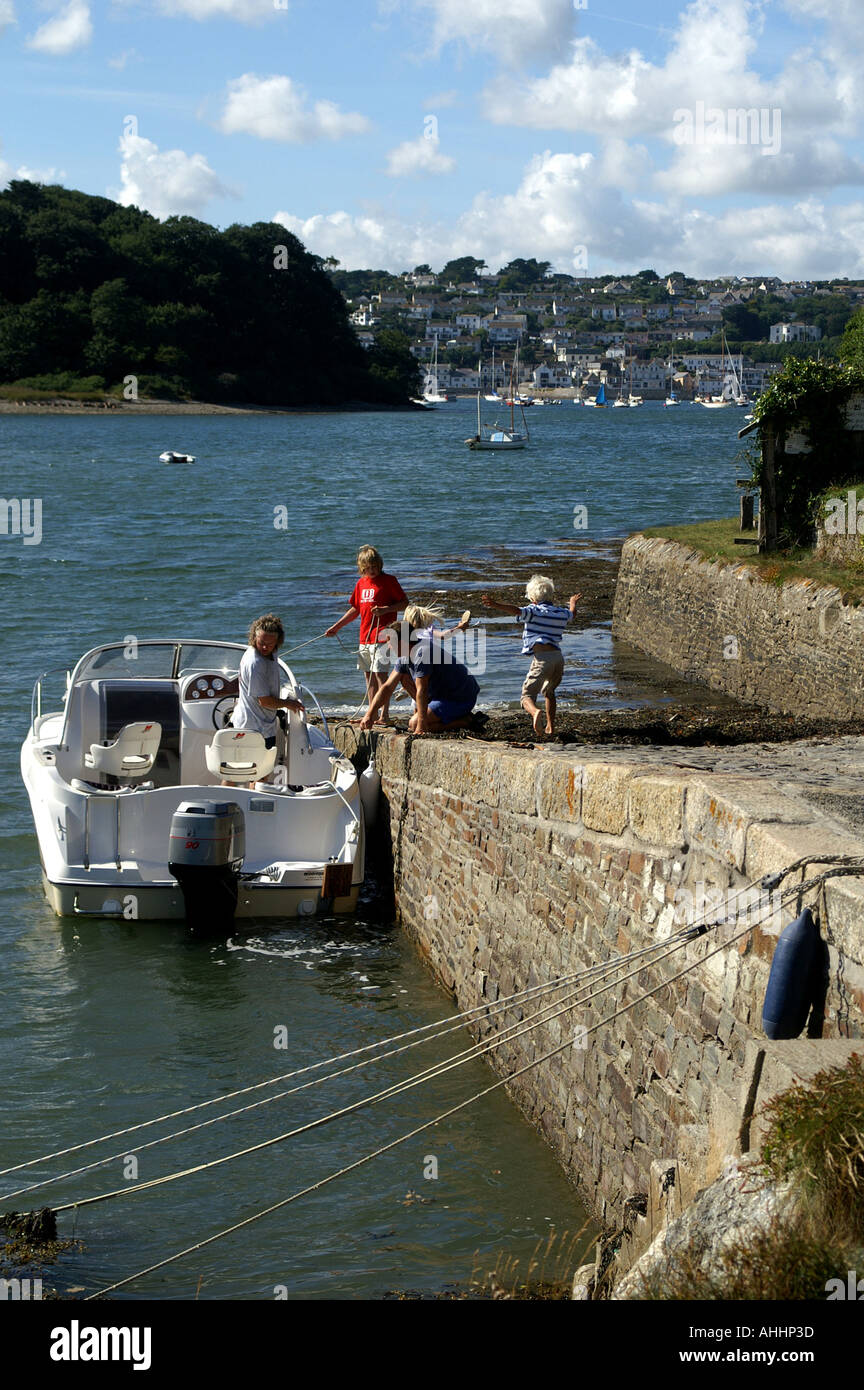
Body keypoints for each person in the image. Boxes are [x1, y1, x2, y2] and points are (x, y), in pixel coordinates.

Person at [481, 576, 580, 738]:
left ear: (533, 598)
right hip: (558, 658)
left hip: (542, 659)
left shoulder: (533, 611)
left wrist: (496, 605)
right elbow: (572, 614)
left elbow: (516, 610)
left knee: (526, 697)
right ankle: (550, 727)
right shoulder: (560, 612)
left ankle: (535, 713)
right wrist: (572, 602)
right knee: (549, 692)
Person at [359, 604, 479, 735]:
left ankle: (466, 721)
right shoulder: (405, 655)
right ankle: (431, 715)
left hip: (459, 697)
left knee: (413, 724)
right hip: (439, 695)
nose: (389, 647)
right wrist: (370, 714)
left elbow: (422, 689)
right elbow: (387, 687)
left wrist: (421, 724)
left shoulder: (422, 652)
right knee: (403, 677)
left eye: (390, 642)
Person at [325, 545, 407, 725]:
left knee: (381, 675)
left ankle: (384, 715)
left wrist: (386, 609)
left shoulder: (389, 581)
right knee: (368, 677)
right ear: (362, 567)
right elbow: (355, 609)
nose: (373, 570)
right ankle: (371, 713)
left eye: (376, 566)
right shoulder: (361, 583)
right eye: (369, 567)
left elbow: (404, 603)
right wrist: (336, 627)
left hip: (384, 635)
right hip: (365, 636)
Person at [230, 615, 305, 780]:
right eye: (261, 642)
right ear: (254, 637)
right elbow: (264, 701)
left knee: (248, 772)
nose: (264, 646)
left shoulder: (271, 652)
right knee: (247, 773)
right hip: (252, 727)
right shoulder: (255, 663)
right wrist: (288, 703)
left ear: (278, 642)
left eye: (270, 644)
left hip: (260, 724)